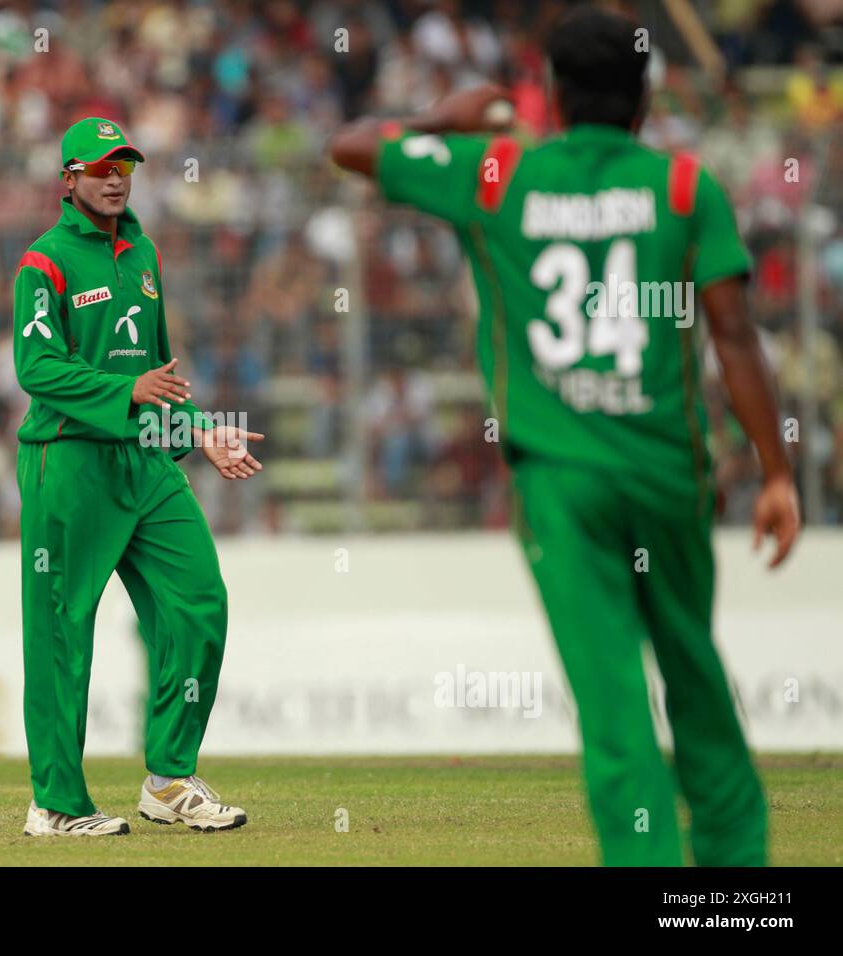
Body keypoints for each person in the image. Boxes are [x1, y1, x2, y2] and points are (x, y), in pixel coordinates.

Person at [328, 7, 800, 866]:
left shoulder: (501, 173)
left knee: (612, 701)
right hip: (668, 474)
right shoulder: (686, 186)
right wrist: (777, 473)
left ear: (550, 91)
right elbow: (734, 335)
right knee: (697, 680)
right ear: (646, 95)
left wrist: (445, 118)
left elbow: (352, 145)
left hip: (561, 485)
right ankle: (738, 889)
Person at [13, 117, 263, 836]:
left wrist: (199, 433)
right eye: (99, 167)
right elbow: (37, 369)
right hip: (69, 462)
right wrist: (126, 396)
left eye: (124, 164)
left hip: (144, 462)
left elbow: (158, 378)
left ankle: (169, 779)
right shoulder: (44, 262)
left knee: (199, 601)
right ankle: (56, 806)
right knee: (63, 632)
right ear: (69, 180)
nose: (116, 176)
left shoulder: (144, 254)